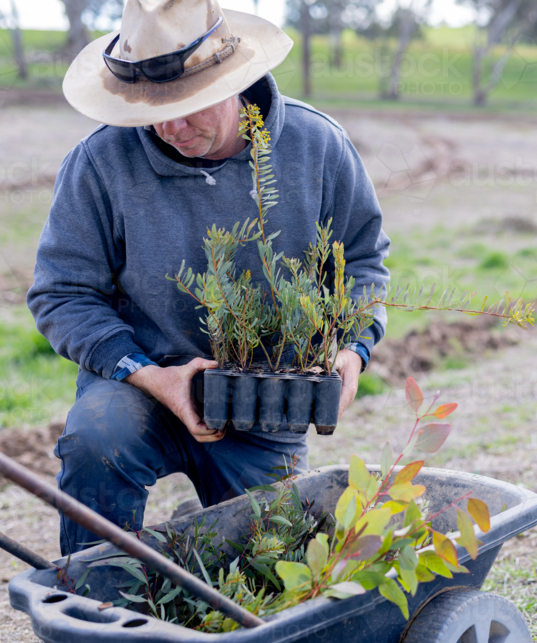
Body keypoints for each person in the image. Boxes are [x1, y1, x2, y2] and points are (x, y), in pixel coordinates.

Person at [27, 0, 389, 556]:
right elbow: (62, 294)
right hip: (142, 384)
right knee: (97, 437)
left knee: (273, 567)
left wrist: (353, 351)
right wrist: (151, 376)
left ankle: (199, 526)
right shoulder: (99, 164)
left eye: (191, 106)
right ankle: (99, 608)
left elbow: (362, 263)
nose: (171, 127)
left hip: (267, 397)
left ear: (235, 79)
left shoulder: (317, 148)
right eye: (152, 109)